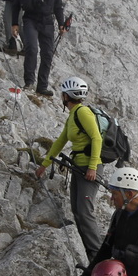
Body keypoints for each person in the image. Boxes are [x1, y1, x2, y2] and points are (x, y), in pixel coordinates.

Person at [35, 77, 104, 260]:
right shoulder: (73, 115)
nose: (61, 97)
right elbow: (60, 141)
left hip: (89, 167)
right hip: (78, 166)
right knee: (76, 208)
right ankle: (88, 251)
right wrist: (45, 164)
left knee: (84, 210)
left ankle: (98, 256)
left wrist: (92, 167)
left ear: (67, 95)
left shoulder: (83, 113)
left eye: (62, 94)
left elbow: (97, 138)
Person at [11, 0, 67, 95]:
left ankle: (42, 87)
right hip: (30, 19)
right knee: (32, 49)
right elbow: (17, 3)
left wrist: (61, 24)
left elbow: (58, 6)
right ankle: (29, 82)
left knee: (48, 54)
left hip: (47, 23)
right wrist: (14, 23)